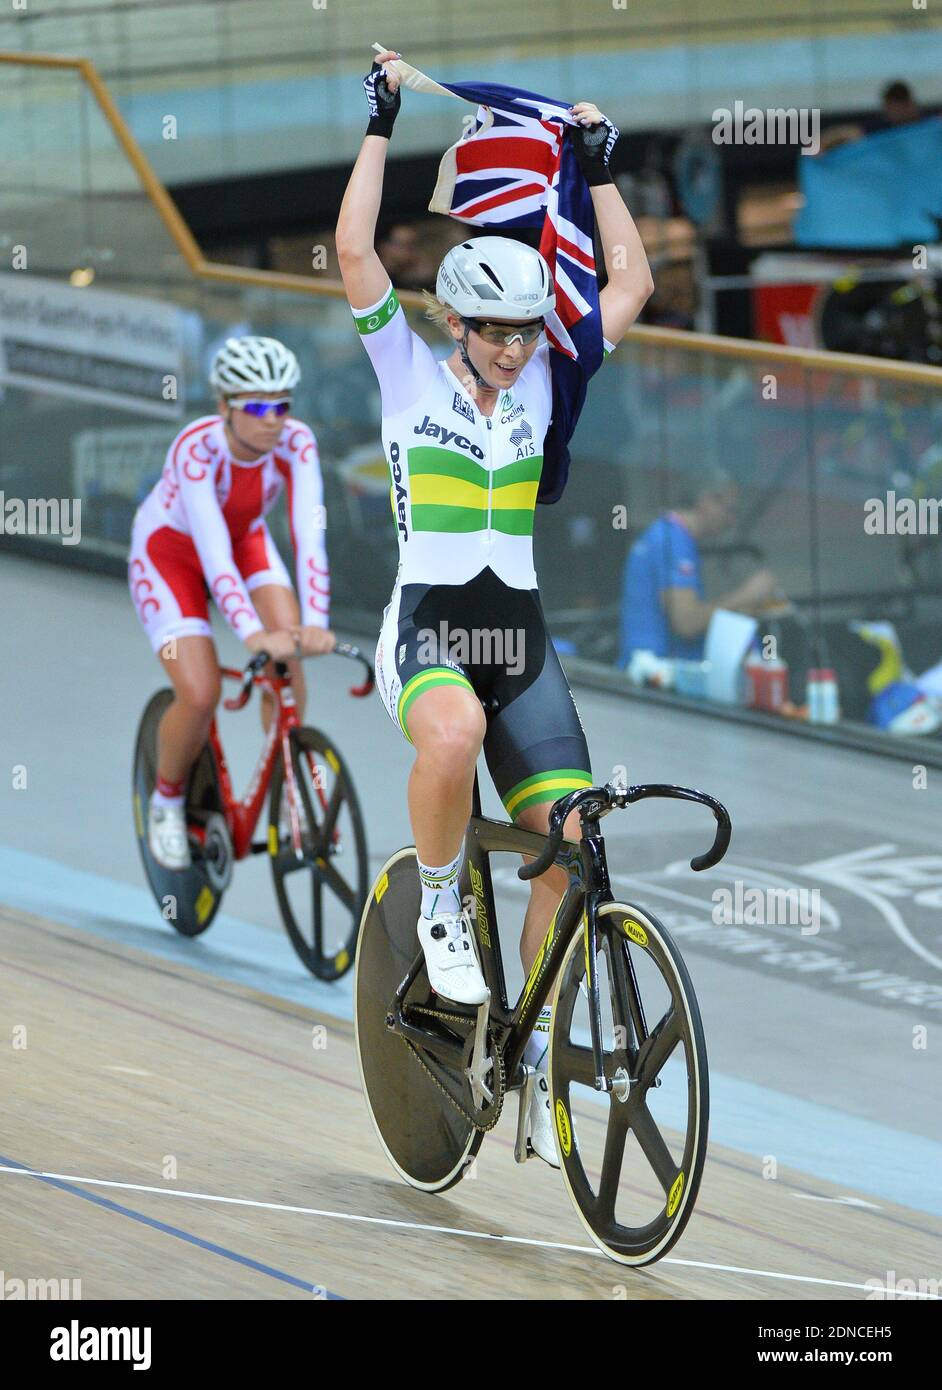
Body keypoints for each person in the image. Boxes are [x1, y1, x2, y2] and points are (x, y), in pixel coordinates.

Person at [336, 47, 653, 1165]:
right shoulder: (408, 376)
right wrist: (378, 124)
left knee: (569, 845)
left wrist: (601, 169)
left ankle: (529, 1045)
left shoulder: (550, 376)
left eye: (527, 335)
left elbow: (631, 287)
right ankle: (433, 903)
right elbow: (351, 249)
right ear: (456, 322)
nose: (517, 352)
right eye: (497, 335)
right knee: (455, 731)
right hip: (427, 621)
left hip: (518, 636)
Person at [128, 336, 336, 869]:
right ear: (224, 407)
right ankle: (166, 801)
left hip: (245, 540)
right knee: (199, 694)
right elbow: (213, 553)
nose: (274, 420)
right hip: (171, 556)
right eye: (258, 408)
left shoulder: (297, 441)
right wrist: (250, 633)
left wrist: (314, 622)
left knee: (289, 654)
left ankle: (290, 779)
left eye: (282, 406)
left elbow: (309, 533)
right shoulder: (196, 447)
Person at [618, 469, 780, 666]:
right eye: (730, 510)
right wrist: (747, 594)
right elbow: (686, 622)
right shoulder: (673, 541)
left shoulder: (669, 535)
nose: (731, 521)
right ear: (706, 501)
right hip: (656, 673)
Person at [816, 80, 923, 155]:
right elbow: (846, 133)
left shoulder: (927, 125)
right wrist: (821, 145)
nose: (890, 112)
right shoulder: (881, 127)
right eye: (887, 108)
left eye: (894, 108)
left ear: (909, 104)